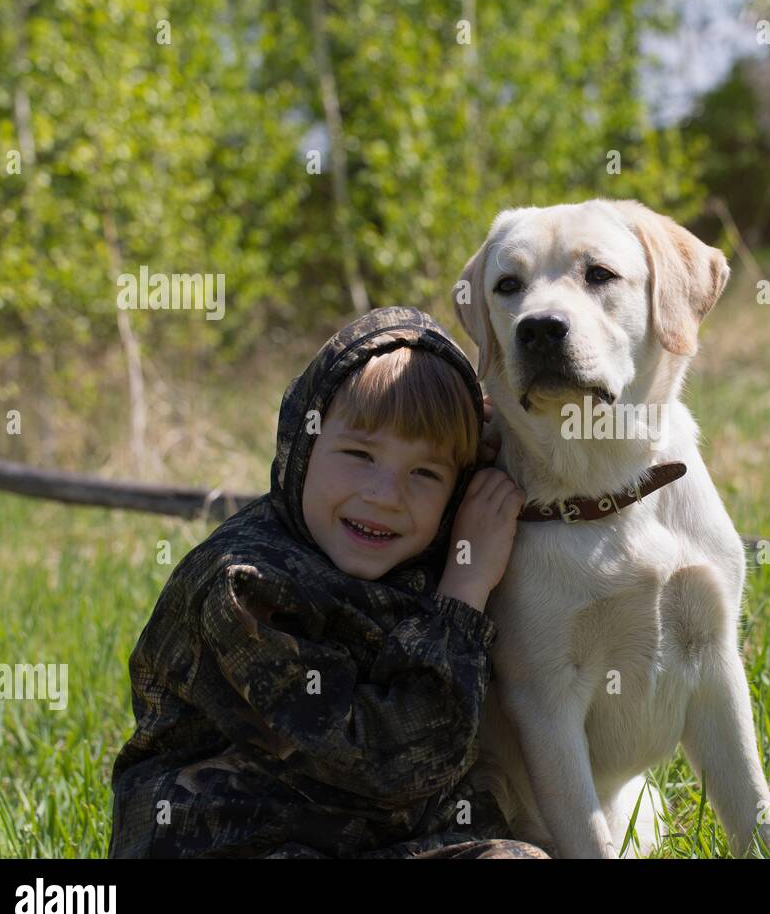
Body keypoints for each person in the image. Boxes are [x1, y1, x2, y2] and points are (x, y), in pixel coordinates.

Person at [108, 306, 544, 858]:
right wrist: (464, 591)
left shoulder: (419, 551)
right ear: (303, 444)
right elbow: (395, 763)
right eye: (359, 454)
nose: (385, 495)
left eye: (426, 473)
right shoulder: (245, 586)